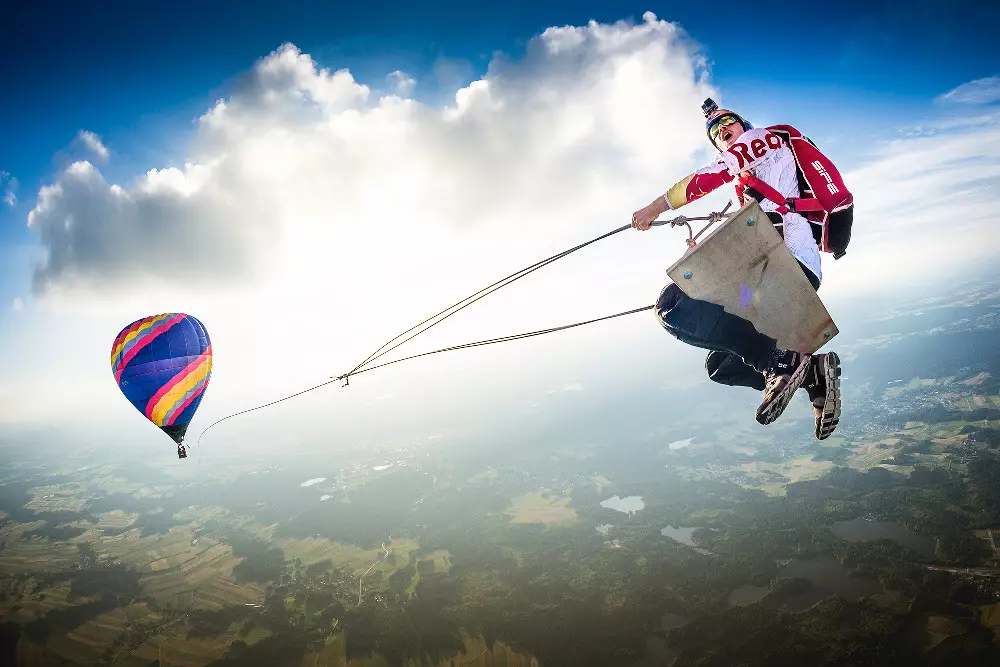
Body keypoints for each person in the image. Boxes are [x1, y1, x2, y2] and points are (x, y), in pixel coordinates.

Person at [630, 100, 842, 439]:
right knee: (720, 367)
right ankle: (810, 373)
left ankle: (780, 362)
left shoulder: (763, 141)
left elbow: (710, 176)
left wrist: (655, 208)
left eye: (727, 124)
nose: (721, 132)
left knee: (672, 305)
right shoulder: (752, 184)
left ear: (744, 126)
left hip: (785, 266)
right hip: (768, 282)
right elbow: (750, 235)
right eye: (715, 133)